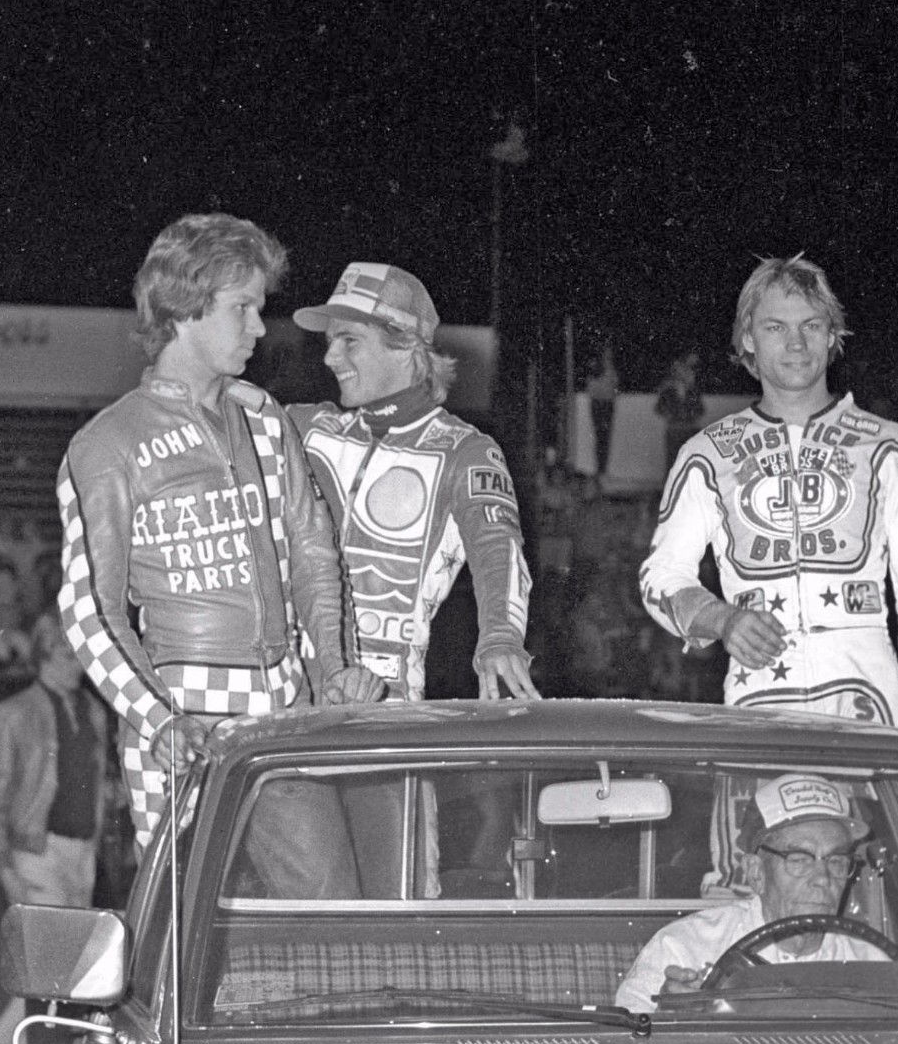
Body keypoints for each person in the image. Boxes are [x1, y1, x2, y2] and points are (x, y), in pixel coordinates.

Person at [57, 213, 383, 855]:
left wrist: (337, 666)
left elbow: (314, 552)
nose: (262, 328)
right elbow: (89, 610)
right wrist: (160, 720)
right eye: (244, 308)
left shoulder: (263, 419)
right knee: (181, 941)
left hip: (284, 717)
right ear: (187, 306)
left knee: (322, 917)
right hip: (184, 730)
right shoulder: (107, 445)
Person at [640, 254, 898, 740]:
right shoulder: (708, 454)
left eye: (811, 325)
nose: (796, 343)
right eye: (776, 327)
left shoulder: (889, 446)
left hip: (871, 699)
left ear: (832, 335)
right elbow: (660, 576)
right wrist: (723, 619)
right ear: (749, 337)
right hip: (760, 701)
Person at [289, 261, 538, 702]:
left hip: (383, 705)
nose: (330, 357)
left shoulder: (463, 451)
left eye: (349, 341)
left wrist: (500, 639)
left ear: (404, 346)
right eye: (330, 342)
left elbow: (499, 552)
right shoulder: (306, 428)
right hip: (284, 692)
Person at [0, 622, 108, 1044]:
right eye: (70, 655)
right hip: (37, 852)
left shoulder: (92, 711)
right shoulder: (13, 714)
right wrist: (4, 867)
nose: (79, 665)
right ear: (46, 655)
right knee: (55, 966)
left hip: (81, 852)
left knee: (67, 969)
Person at [615, 773, 890, 1012]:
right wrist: (668, 1015)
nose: (822, 878)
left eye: (836, 861)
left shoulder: (873, 965)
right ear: (756, 872)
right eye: (799, 859)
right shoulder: (683, 947)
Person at [584, 339, 619, 482]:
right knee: (600, 437)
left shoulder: (611, 368)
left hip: (608, 404)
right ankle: (600, 470)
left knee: (605, 437)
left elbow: (614, 386)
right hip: (599, 404)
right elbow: (591, 386)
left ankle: (603, 469)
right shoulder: (596, 367)